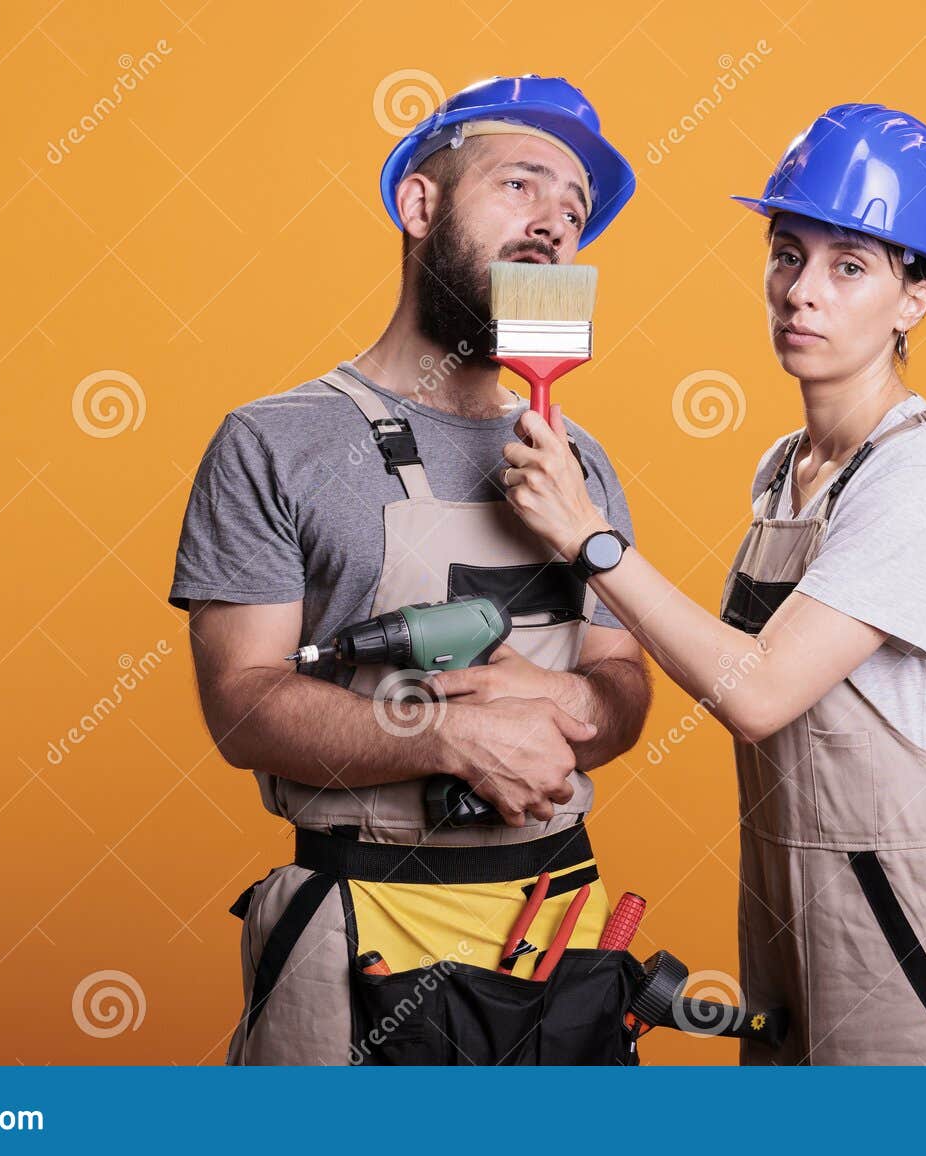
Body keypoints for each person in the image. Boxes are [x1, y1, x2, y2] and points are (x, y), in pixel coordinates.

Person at [491, 103, 926, 1065]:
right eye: (787, 254)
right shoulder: (785, 468)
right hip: (792, 906)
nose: (802, 292)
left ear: (917, 296)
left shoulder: (924, 473)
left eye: (850, 267)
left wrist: (590, 540)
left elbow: (756, 693)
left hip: (918, 935)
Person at [168, 75, 652, 1065]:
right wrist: (451, 737)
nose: (553, 224)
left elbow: (624, 683)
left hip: (558, 922)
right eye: (520, 184)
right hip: (363, 926)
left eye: (574, 212)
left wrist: (572, 698)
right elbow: (242, 705)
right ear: (419, 204)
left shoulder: (579, 463)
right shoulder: (277, 442)